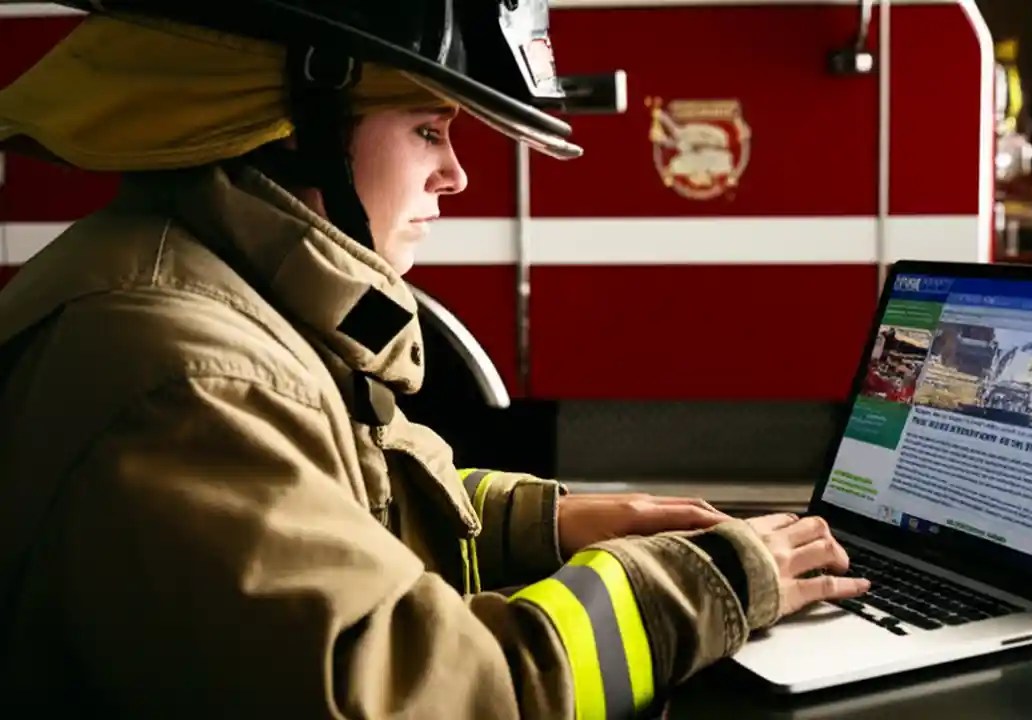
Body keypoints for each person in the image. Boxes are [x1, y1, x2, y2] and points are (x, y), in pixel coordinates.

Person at [0, 2, 870, 717]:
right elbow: (416, 700)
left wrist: (545, 527)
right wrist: (701, 583)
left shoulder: (221, 298)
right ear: (296, 122)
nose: (456, 174)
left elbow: (339, 516)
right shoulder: (184, 380)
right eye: (427, 130)